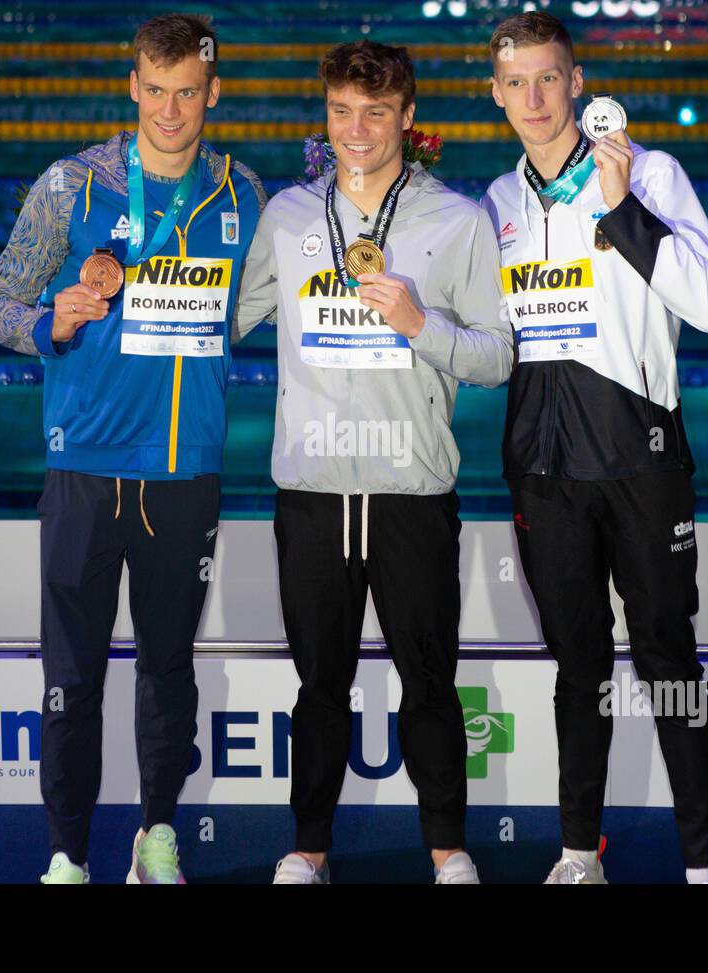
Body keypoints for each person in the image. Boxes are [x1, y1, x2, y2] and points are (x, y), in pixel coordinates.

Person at [0, 12, 266, 885]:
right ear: (131, 87)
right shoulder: (71, 186)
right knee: (71, 678)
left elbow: (252, 310)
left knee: (169, 671)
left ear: (212, 92)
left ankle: (157, 836)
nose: (171, 110)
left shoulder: (243, 195)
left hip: (183, 472)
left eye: (188, 93)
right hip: (82, 471)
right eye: (155, 90)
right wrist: (46, 321)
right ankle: (67, 852)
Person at [233, 40, 513, 884]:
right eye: (342, 112)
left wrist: (422, 325)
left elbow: (498, 354)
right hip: (313, 492)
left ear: (408, 118)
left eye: (377, 113)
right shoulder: (286, 217)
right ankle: (307, 850)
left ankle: (448, 849)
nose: (358, 130)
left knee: (431, 682)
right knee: (319, 687)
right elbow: (225, 317)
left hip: (410, 491)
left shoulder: (457, 222)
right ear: (326, 115)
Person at [482, 11, 708, 884]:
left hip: (641, 458)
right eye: (515, 83)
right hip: (544, 472)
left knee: (668, 659)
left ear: (578, 81)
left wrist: (625, 211)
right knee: (577, 663)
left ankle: (703, 863)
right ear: (495, 93)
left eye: (548, 78)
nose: (534, 98)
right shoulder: (496, 203)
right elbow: (486, 341)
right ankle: (579, 851)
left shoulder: (649, 172)